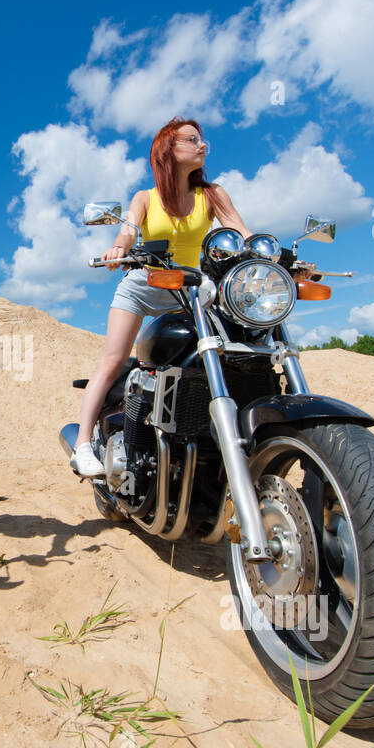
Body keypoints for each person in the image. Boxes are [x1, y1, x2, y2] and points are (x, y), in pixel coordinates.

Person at [70, 116, 251, 477]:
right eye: (192, 139)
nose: (202, 145)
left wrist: (274, 255)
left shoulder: (213, 195)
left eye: (203, 141)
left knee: (221, 353)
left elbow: (242, 233)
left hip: (190, 287)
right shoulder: (145, 198)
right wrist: (117, 249)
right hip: (143, 283)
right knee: (112, 360)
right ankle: (83, 445)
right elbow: (127, 232)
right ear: (168, 150)